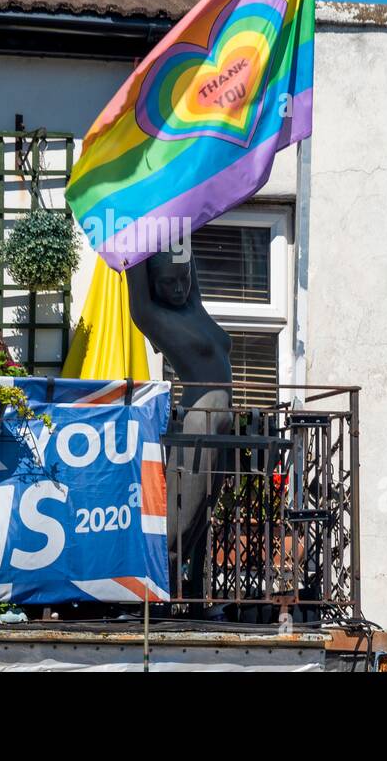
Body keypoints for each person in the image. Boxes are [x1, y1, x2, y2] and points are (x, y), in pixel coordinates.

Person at [126, 247, 232, 601]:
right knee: (180, 521)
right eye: (168, 282)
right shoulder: (155, 316)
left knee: (202, 520)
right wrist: (134, 237)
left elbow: (185, 233)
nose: (178, 288)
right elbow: (138, 305)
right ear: (155, 286)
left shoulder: (193, 306)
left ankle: (188, 592)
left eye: (183, 279)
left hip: (220, 426)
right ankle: (156, 597)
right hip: (199, 422)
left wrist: (176, 206)